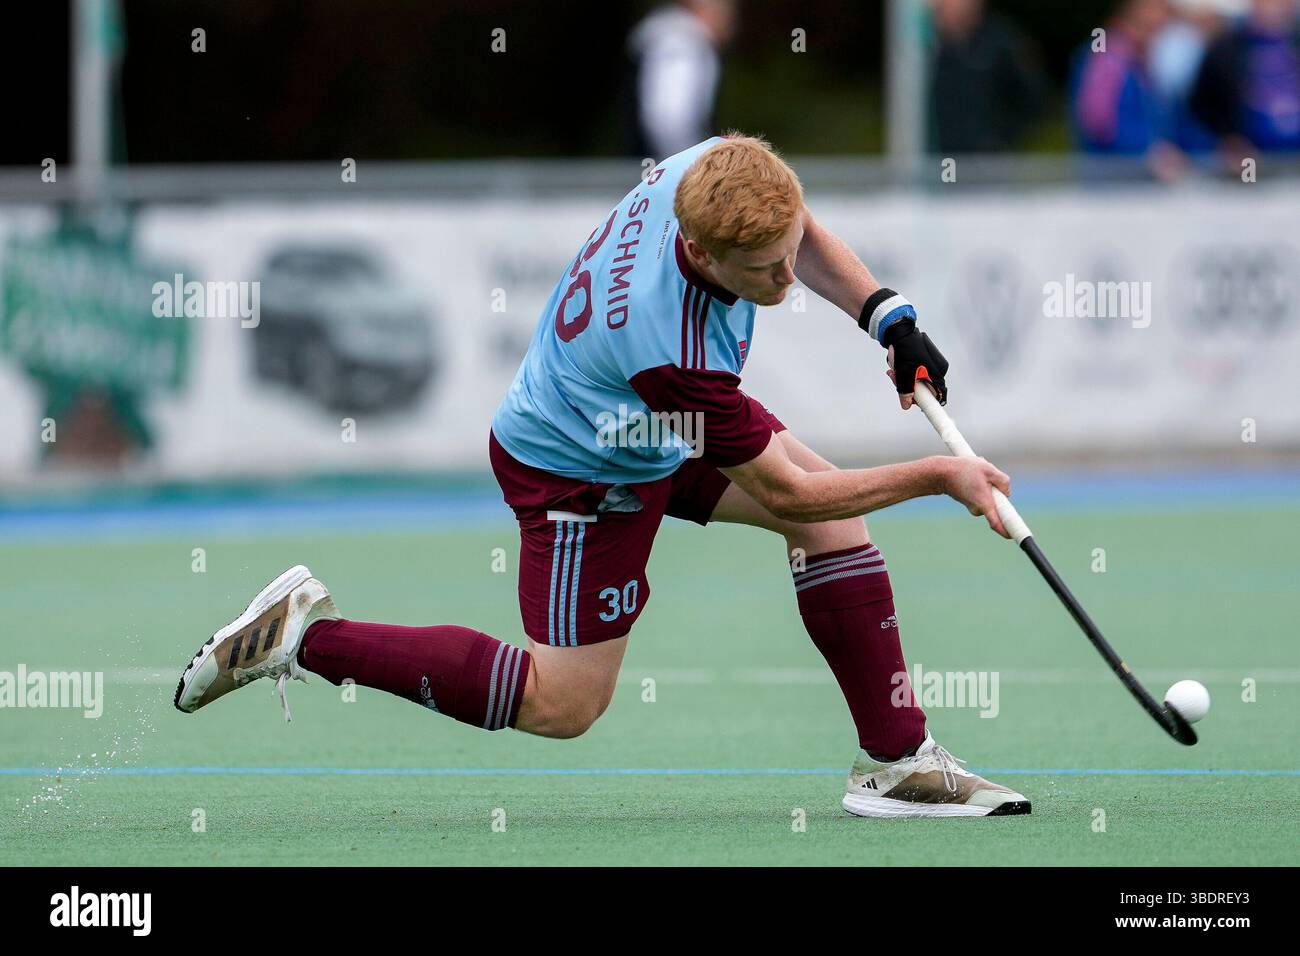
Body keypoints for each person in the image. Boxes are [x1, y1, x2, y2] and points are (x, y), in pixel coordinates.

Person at [174, 135, 1029, 818]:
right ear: (699, 252)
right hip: (579, 470)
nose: (783, 278)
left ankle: (894, 764)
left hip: (652, 428)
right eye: (763, 271)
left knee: (834, 527)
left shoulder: (714, 169)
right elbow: (787, 492)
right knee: (564, 704)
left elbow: (795, 230)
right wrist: (940, 475)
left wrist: (886, 315)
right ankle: (303, 637)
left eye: (786, 257)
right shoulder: (671, 350)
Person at [1070, 0, 1188, 179]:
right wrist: (1147, 152)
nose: (1166, 19)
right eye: (1161, 9)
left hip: (1135, 183)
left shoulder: (1143, 57)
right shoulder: (1108, 55)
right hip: (1113, 183)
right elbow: (1098, 120)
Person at [928, 0, 1048, 153]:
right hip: (936, 161)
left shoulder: (1003, 43)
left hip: (986, 165)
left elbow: (1034, 98)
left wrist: (1001, 139)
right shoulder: (925, 52)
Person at [625, 0, 737, 159]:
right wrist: (692, 163)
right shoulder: (683, 44)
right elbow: (669, 117)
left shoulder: (667, 38)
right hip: (662, 164)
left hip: (649, 163)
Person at [1189, 0, 1300, 159]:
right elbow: (1199, 110)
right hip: (1248, 164)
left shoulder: (1295, 44)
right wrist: (1224, 140)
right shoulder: (1225, 49)